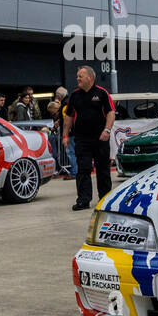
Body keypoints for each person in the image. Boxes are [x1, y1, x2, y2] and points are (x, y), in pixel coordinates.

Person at [62, 65, 114, 211]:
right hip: (81, 139)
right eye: (77, 76)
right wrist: (65, 135)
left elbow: (111, 113)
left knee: (103, 169)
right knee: (83, 170)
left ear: (89, 78)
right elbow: (69, 116)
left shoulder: (102, 93)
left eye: (80, 76)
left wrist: (107, 130)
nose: (77, 78)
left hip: (100, 139)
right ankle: (83, 200)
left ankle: (105, 200)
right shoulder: (74, 95)